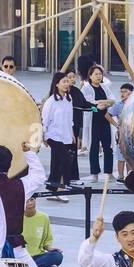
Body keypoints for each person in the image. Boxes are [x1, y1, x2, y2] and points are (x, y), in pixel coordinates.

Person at [41, 71, 77, 200]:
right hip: (53, 136)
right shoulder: (51, 101)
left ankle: (52, 189)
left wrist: (72, 133)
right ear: (57, 84)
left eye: (68, 81)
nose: (67, 84)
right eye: (64, 81)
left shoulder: (69, 98)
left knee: (56, 163)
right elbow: (45, 119)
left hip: (65, 135)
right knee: (65, 160)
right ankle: (62, 189)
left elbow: (70, 118)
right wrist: (43, 136)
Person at [80, 65, 116, 184]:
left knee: (108, 148)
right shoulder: (86, 89)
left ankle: (109, 173)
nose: (98, 76)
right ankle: (94, 174)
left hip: (105, 120)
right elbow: (85, 105)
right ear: (90, 76)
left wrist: (102, 103)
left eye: (100, 74)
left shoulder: (104, 87)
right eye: (96, 74)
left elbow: (112, 100)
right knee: (94, 148)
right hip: (93, 121)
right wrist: (96, 107)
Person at [22, 197, 62, 267]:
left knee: (57, 256)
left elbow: (46, 242)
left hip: (38, 256)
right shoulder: (16, 217)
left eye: (32, 200)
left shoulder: (44, 217)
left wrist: (50, 248)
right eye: (26, 201)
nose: (30, 203)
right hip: (21, 256)